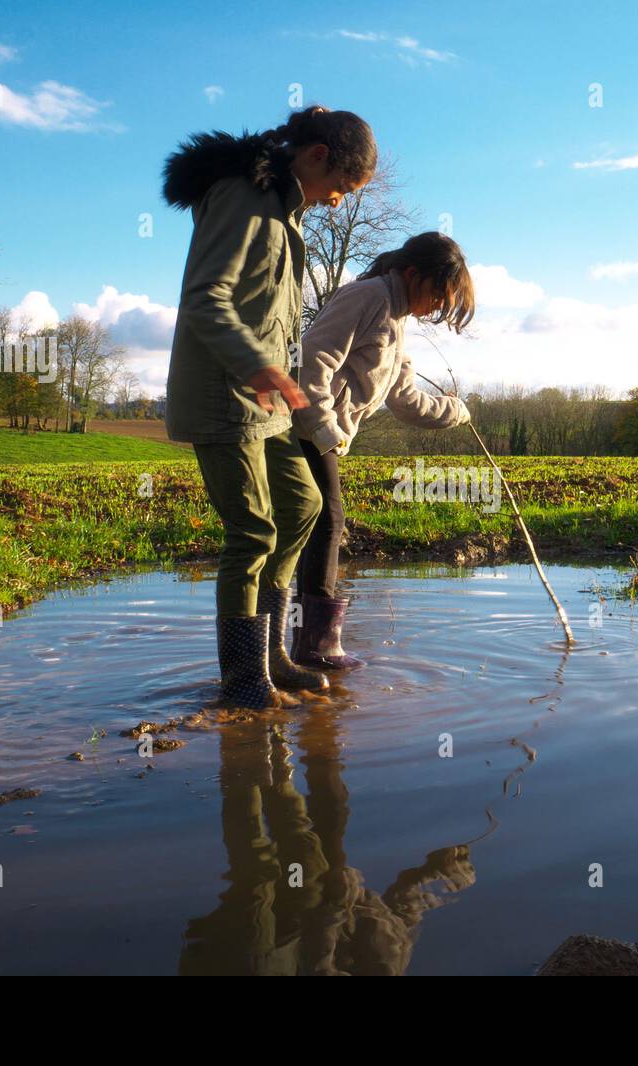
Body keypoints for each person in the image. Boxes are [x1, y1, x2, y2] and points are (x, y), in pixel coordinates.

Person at [162, 106, 376, 707]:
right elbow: (206, 300)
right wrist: (259, 366)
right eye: (342, 187)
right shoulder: (240, 196)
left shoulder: (286, 212)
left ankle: (273, 655)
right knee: (252, 529)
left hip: (269, 400)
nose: (338, 202)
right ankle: (243, 679)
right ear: (316, 157)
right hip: (223, 394)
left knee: (304, 503)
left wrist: (283, 376)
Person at [291, 232, 475, 670]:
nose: (434, 308)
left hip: (321, 434)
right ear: (412, 274)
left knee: (315, 523)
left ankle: (305, 644)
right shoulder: (367, 297)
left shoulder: (398, 320)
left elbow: (405, 399)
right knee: (327, 519)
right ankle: (316, 647)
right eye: (436, 295)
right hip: (301, 428)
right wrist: (325, 429)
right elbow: (311, 360)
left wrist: (456, 411)